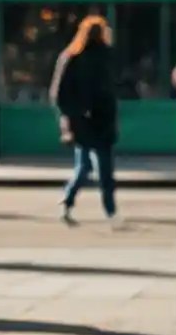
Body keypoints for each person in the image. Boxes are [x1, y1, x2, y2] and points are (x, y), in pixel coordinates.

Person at [50, 14, 123, 228]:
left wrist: (67, 117)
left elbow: (59, 93)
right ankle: (111, 212)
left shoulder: (71, 56)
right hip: (102, 119)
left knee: (84, 166)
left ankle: (68, 200)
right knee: (105, 170)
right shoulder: (106, 57)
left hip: (81, 119)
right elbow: (111, 89)